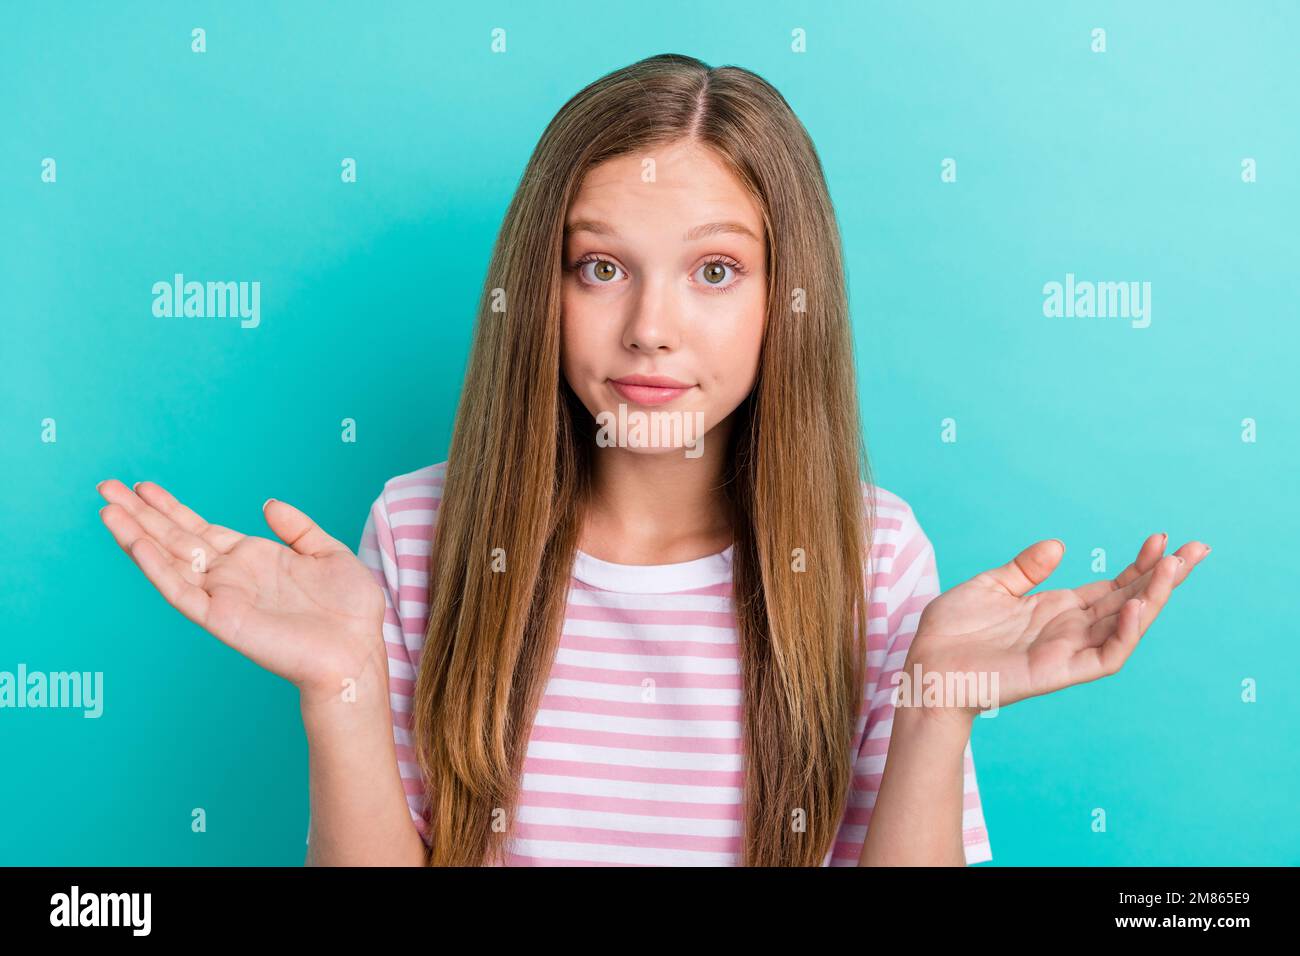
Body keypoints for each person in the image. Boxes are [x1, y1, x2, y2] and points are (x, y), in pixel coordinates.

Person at [96, 53, 1208, 867]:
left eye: (714, 272)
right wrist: (338, 688)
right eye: (599, 269)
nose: (649, 330)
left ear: (789, 298)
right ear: (540, 286)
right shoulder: (419, 530)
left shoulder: (874, 556)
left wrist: (934, 709)